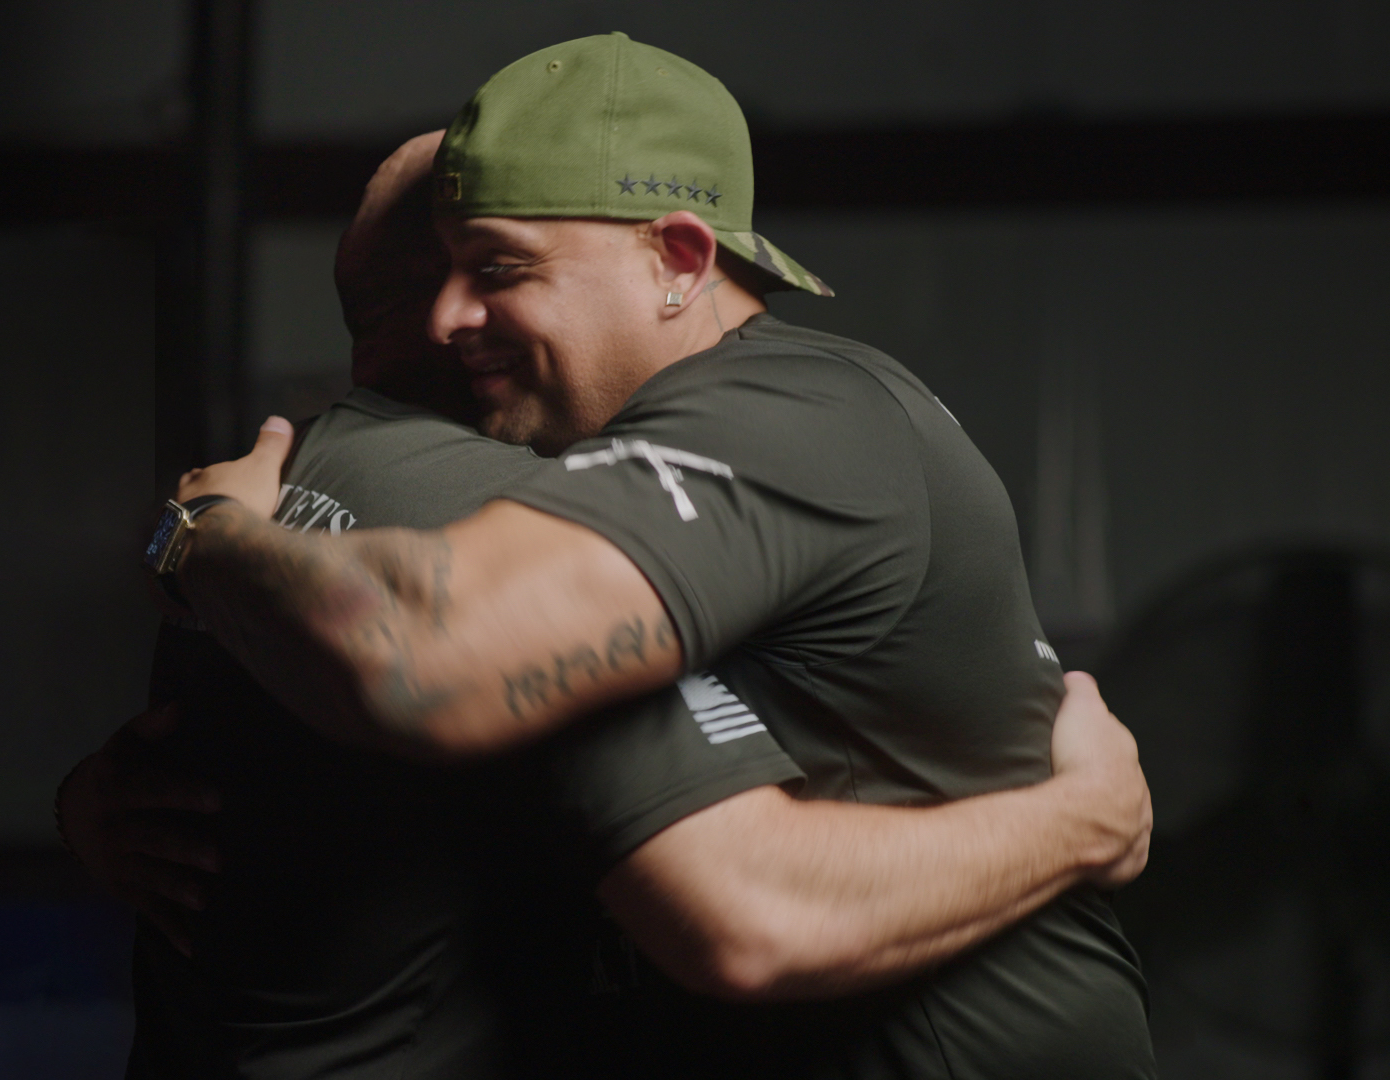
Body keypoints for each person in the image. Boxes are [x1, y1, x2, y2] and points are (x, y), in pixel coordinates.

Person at [156, 34, 1155, 1077]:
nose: (450, 317)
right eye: (435, 275)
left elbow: (433, 645)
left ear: (679, 259)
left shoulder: (791, 415)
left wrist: (202, 536)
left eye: (497, 268)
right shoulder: (602, 455)